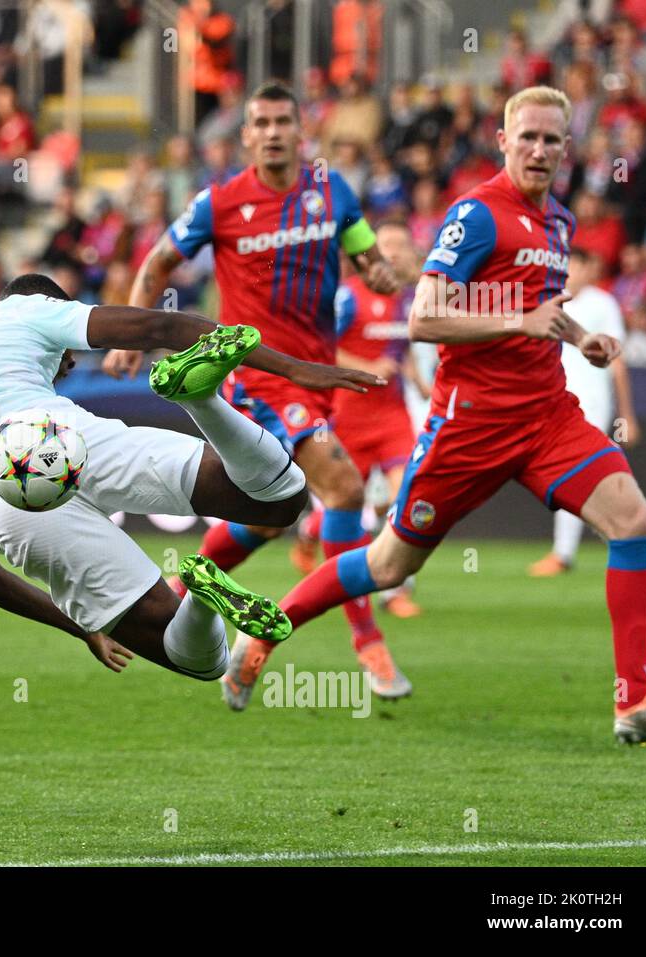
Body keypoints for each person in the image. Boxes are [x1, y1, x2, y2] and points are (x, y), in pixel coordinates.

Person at [239, 87, 646, 744]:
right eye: (526, 136)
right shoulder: (476, 215)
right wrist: (518, 321)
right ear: (502, 140)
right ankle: (263, 631)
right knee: (388, 566)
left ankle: (633, 699)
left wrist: (577, 334)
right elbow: (423, 318)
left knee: (634, 519)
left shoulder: (557, 221)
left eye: (552, 139)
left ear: (566, 147)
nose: (539, 149)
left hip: (548, 415)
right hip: (469, 424)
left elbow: (538, 308)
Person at [102, 81, 410, 703]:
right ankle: (366, 643)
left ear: (303, 133)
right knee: (344, 488)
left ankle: (183, 602)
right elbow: (156, 263)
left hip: (313, 376)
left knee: (270, 517)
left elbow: (366, 256)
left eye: (282, 121)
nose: (272, 132)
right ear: (245, 136)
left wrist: (379, 269)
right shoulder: (220, 203)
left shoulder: (333, 194)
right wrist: (132, 333)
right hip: (254, 376)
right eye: (260, 122)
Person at [0, 273, 381, 680]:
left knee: (200, 660)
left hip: (0, 500)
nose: (71, 362)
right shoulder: (27, 308)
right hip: (52, 431)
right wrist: (294, 368)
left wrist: (83, 626)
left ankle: (199, 596)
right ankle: (202, 399)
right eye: (68, 353)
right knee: (279, 503)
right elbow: (160, 324)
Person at [291, 221, 428, 619]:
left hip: (392, 417)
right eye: (387, 245)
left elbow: (403, 350)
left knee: (405, 498)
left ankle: (394, 590)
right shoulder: (346, 297)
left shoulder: (407, 299)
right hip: (349, 415)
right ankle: (308, 533)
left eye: (402, 245)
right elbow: (321, 350)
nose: (396, 252)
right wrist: (368, 365)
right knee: (343, 502)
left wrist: (418, 380)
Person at [528, 245, 639, 576]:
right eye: (568, 264)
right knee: (584, 473)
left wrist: (627, 415)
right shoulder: (549, 299)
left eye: (578, 264)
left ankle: (564, 553)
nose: (573, 271)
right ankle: (619, 532)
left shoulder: (602, 303)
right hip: (554, 397)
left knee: (572, 470)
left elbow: (617, 363)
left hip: (590, 401)